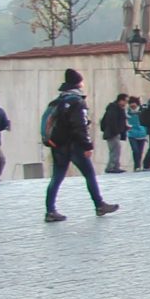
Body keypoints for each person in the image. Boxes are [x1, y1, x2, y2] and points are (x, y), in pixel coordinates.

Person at [40, 69, 118, 223]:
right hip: (74, 145)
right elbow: (80, 126)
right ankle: (99, 205)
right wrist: (87, 145)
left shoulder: (57, 101)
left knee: (56, 178)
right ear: (77, 84)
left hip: (58, 146)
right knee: (89, 175)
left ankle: (50, 211)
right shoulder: (77, 102)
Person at [101, 93, 131, 173]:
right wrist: (116, 130)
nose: (126, 103)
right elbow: (112, 121)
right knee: (115, 150)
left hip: (115, 132)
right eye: (125, 101)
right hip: (112, 133)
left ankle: (115, 166)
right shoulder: (113, 108)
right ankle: (111, 167)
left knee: (116, 150)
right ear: (120, 100)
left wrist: (124, 127)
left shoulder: (118, 108)